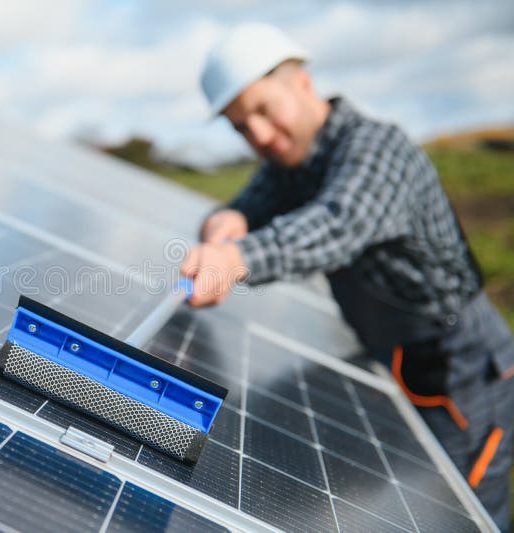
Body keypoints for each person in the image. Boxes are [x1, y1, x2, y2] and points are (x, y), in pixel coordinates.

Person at [181, 22, 514, 531]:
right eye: (242, 128)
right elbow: (254, 202)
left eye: (264, 111)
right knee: (407, 511)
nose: (261, 137)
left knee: (459, 515)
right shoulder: (292, 164)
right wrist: (230, 220)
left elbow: (338, 223)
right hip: (395, 363)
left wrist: (235, 258)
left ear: (303, 84)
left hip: (463, 375)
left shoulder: (379, 151)